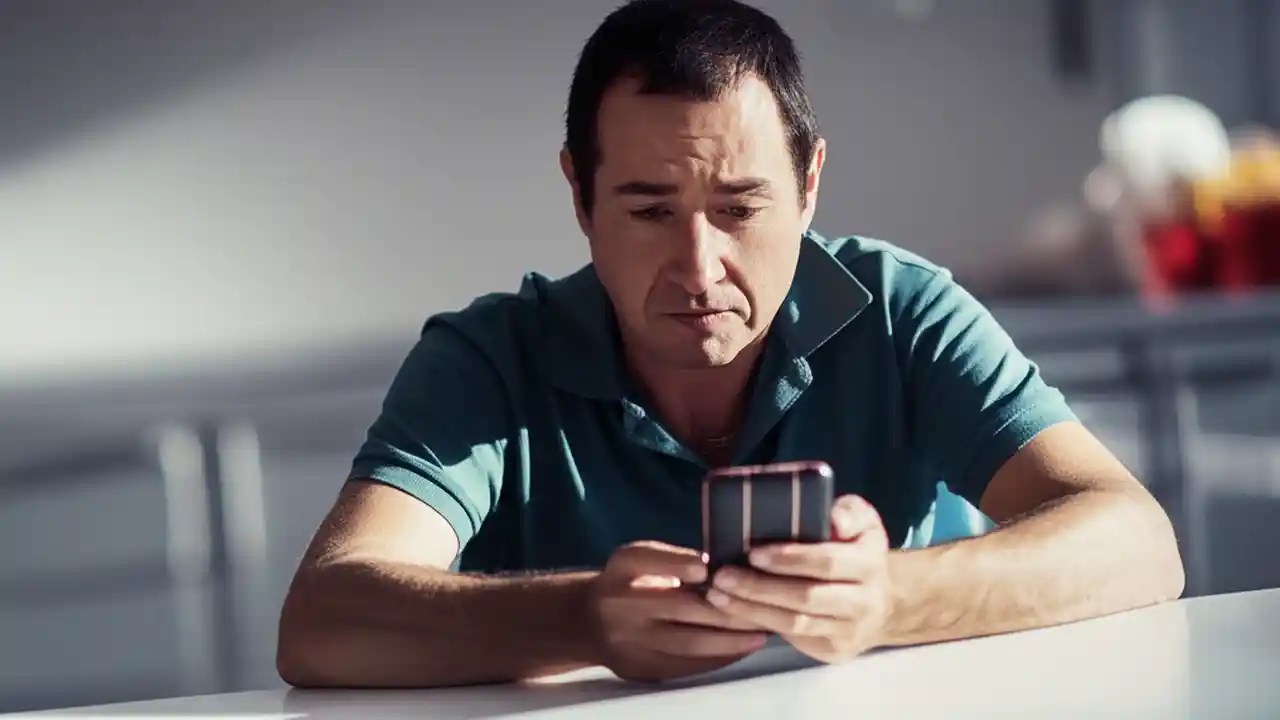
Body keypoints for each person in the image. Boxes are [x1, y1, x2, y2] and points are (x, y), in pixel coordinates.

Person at [277, 0, 1184, 687]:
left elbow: (1139, 544)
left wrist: (887, 599)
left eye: (741, 209)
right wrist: (582, 618)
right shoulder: (490, 358)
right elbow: (322, 618)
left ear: (809, 183)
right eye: (649, 212)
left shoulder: (900, 309)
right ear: (579, 196)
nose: (698, 268)